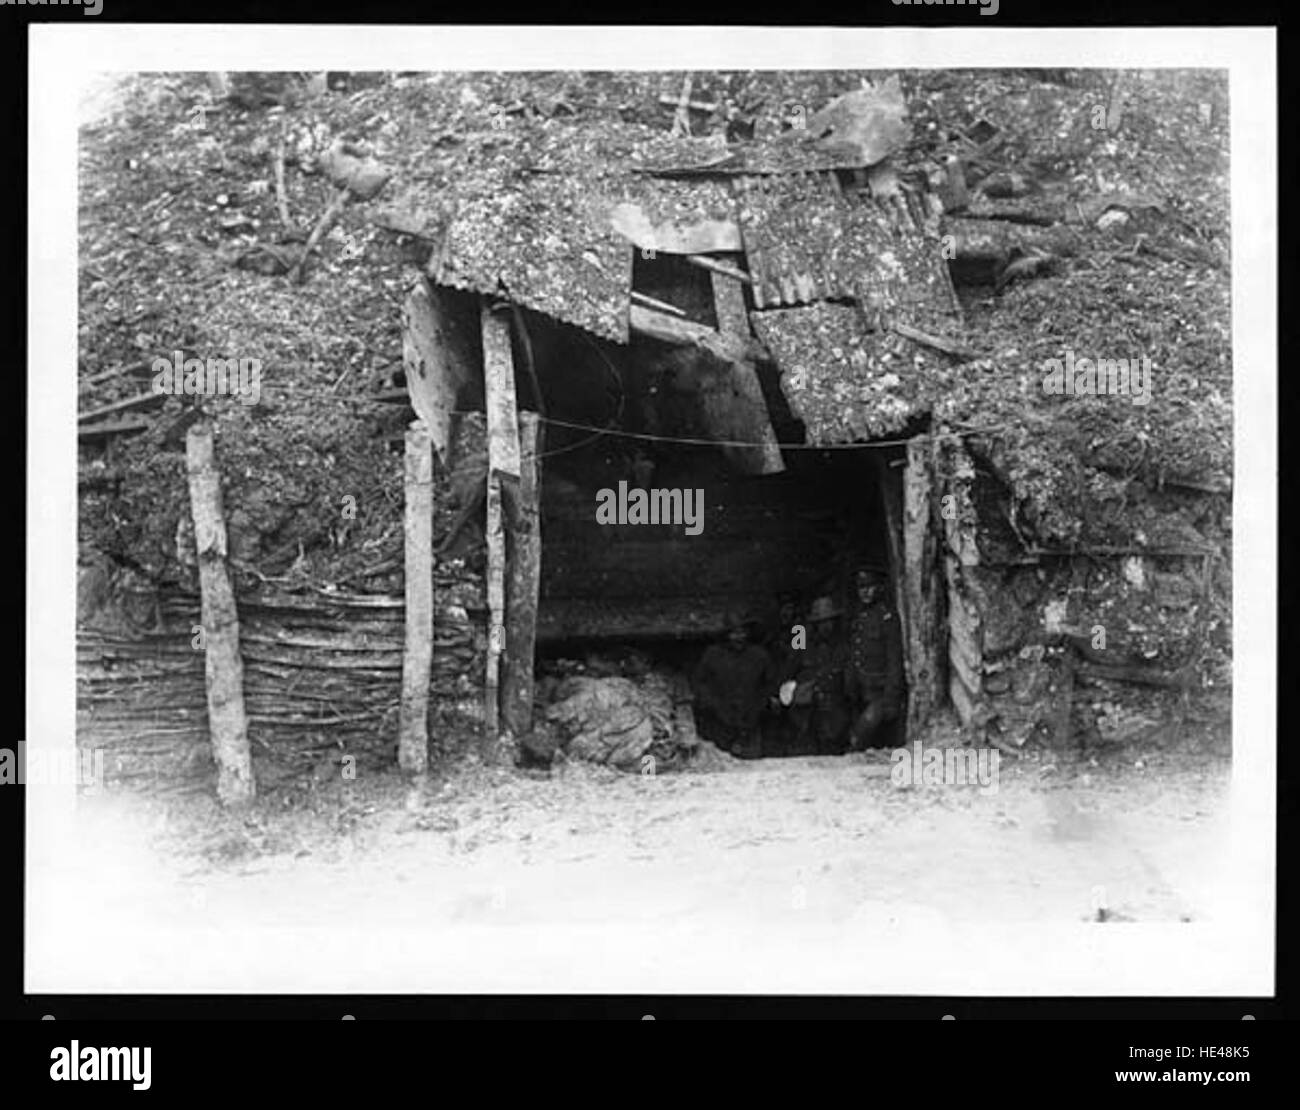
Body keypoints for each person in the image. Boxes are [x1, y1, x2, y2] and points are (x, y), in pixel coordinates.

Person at [692, 612, 774, 759]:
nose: (739, 637)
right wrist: (715, 706)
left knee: (752, 767)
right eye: (734, 633)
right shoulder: (712, 655)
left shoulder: (759, 655)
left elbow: (769, 684)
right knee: (722, 765)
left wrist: (758, 708)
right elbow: (700, 684)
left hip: (751, 721)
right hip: (720, 722)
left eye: (743, 632)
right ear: (726, 634)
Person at [847, 568, 905, 750]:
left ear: (880, 587)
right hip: (860, 692)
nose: (865, 591)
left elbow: (894, 660)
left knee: (859, 737)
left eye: (869, 586)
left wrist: (890, 699)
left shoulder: (886, 617)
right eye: (861, 587)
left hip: (879, 694)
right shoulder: (858, 617)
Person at [787, 596, 853, 756]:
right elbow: (789, 666)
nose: (825, 626)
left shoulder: (844, 644)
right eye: (821, 622)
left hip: (834, 710)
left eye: (829, 621)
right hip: (807, 709)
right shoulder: (801, 637)